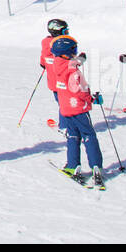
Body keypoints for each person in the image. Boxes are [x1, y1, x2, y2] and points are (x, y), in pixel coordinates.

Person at [51, 35, 104, 183]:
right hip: (79, 110)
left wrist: (79, 59)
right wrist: (93, 99)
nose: (75, 53)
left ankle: (73, 165)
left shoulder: (58, 66)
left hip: (66, 110)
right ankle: (96, 167)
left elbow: (71, 64)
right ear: (67, 52)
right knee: (89, 136)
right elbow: (81, 91)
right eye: (74, 50)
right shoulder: (74, 73)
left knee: (73, 137)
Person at [41, 18, 69, 105]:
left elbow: (42, 62)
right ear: (57, 32)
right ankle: (68, 118)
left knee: (62, 105)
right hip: (64, 84)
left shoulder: (46, 44)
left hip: (54, 84)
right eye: (65, 32)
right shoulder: (61, 46)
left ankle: (64, 117)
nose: (67, 34)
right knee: (68, 105)